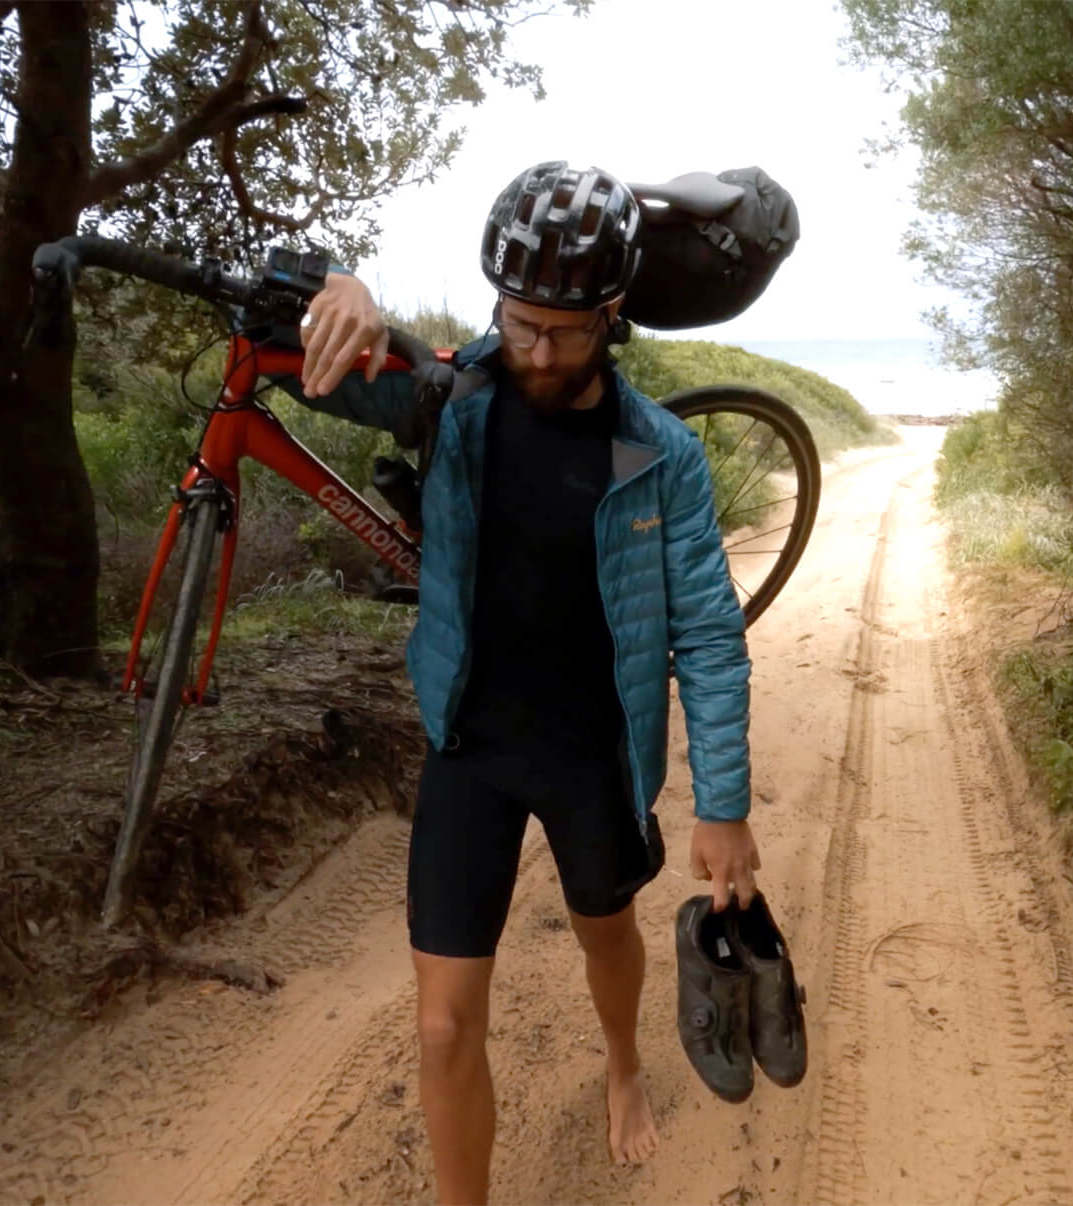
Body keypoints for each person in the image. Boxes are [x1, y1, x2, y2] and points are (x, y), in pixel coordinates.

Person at [288, 160, 762, 1205]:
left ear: (613, 318)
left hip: (594, 752)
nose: (537, 351)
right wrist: (335, 286)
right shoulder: (446, 403)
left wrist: (720, 805)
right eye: (518, 323)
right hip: (471, 749)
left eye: (565, 331)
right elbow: (295, 351)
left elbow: (711, 642)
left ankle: (624, 1064)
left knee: (608, 939)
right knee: (441, 1020)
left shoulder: (662, 456)